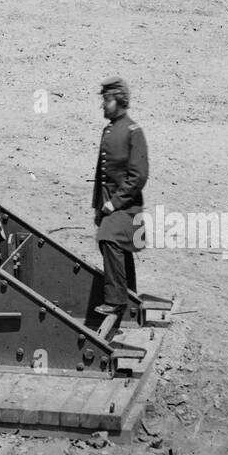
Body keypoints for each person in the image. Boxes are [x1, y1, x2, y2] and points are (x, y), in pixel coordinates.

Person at [92, 76, 149, 323]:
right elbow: (101, 175)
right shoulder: (111, 130)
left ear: (119, 101)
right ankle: (130, 295)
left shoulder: (133, 132)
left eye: (107, 100)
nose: (103, 105)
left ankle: (116, 301)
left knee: (109, 239)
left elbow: (138, 176)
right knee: (119, 249)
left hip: (127, 207)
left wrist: (113, 203)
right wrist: (99, 207)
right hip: (110, 204)